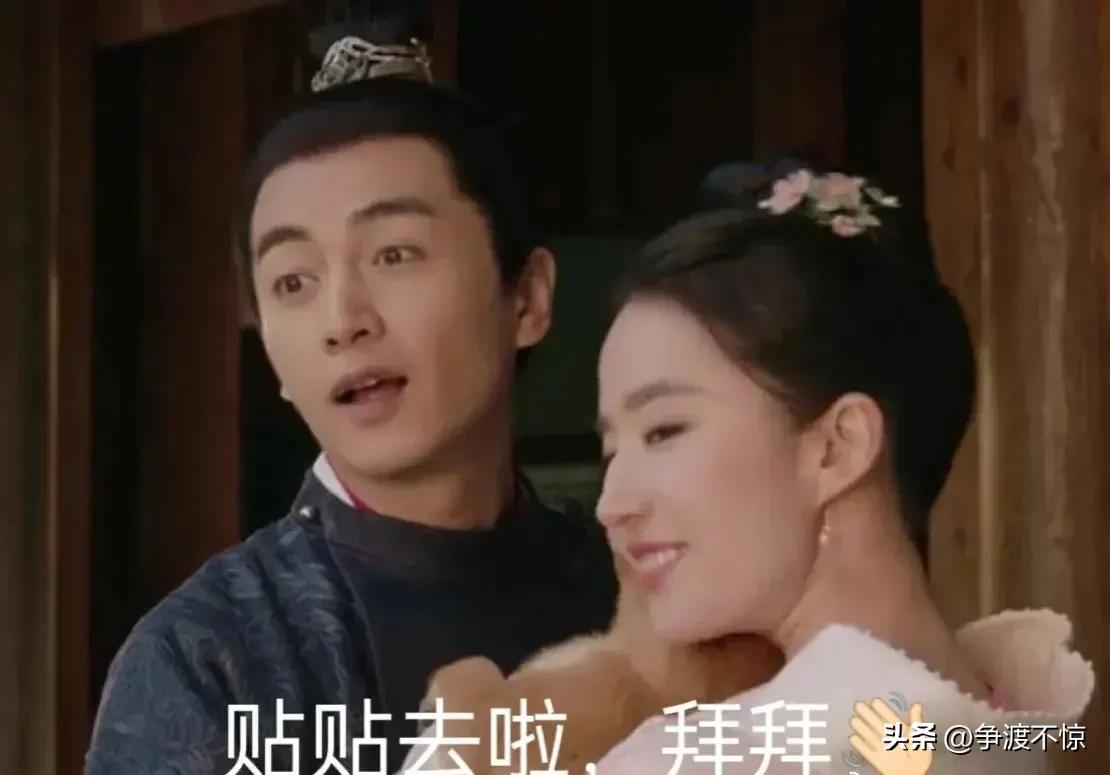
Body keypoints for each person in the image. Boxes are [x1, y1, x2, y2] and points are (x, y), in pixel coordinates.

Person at [84, 32, 617, 775]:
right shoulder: (206, 658)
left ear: (526, 298)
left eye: (394, 254)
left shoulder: (642, 593)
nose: (342, 321)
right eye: (293, 282)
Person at [591, 162, 1094, 773]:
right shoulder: (1011, 729)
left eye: (663, 431)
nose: (611, 505)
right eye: (611, 451)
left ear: (838, 447)